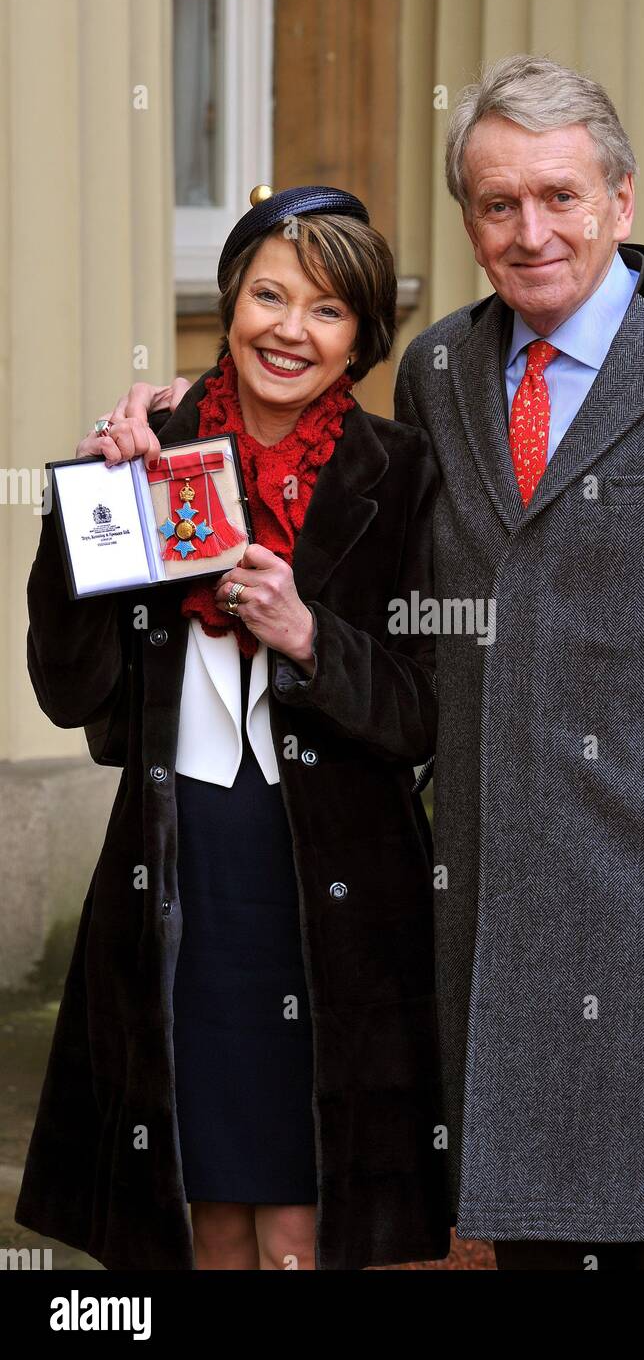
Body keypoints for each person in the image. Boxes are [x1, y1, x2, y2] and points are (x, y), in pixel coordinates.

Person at [95, 55, 644, 1272]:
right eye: (499, 203)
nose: (533, 232)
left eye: (562, 197)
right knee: (540, 1235)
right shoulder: (444, 372)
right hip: (507, 900)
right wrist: (155, 455)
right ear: (468, 222)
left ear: (621, 202)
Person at [15, 185, 450, 1271]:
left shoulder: (398, 478)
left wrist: (310, 636)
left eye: (328, 310)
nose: (290, 330)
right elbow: (70, 693)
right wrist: (85, 516)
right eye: (269, 294)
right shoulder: (153, 449)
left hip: (332, 884)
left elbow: (425, 708)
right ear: (228, 303)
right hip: (178, 868)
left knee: (305, 1215)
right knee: (198, 1195)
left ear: (362, 341)